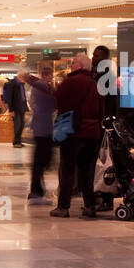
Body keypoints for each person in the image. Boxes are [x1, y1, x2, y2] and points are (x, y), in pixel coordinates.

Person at [52, 54, 100, 218]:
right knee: (87, 171)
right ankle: (89, 205)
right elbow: (101, 108)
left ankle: (63, 207)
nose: (71, 65)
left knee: (67, 169)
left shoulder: (70, 82)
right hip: (92, 132)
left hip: (73, 131)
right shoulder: (94, 84)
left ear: (80, 66)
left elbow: (59, 102)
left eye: (73, 63)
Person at [20, 61, 57, 204]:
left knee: (41, 160)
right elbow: (51, 103)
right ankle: (36, 192)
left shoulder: (42, 87)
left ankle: (37, 191)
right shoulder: (41, 88)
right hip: (43, 128)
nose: (50, 78)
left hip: (43, 127)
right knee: (41, 160)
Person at [3, 72, 27, 147]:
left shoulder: (21, 84)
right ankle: (16, 142)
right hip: (15, 108)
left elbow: (23, 96)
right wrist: (11, 109)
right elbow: (9, 97)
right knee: (18, 124)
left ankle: (18, 141)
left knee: (22, 124)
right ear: (21, 76)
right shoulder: (12, 84)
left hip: (22, 107)